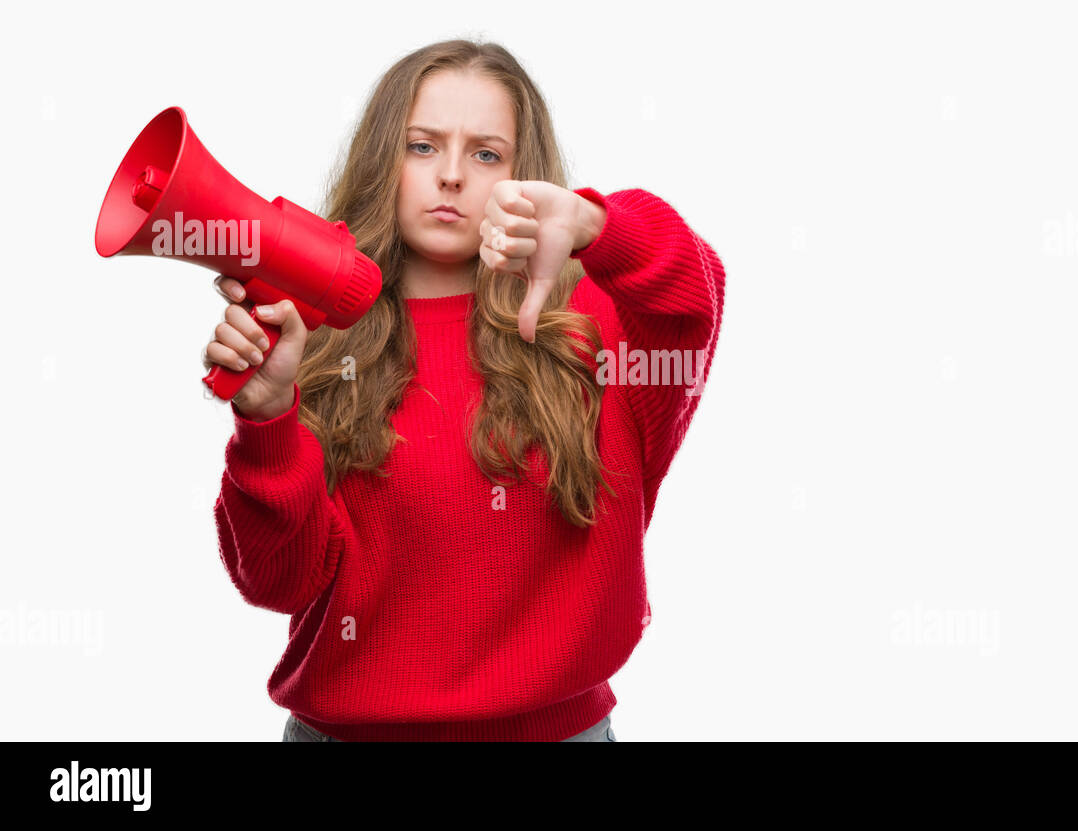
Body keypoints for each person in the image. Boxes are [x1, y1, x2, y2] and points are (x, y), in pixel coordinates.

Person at [205, 39, 725, 741]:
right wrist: (265, 419)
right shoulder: (315, 337)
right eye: (422, 147)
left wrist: (596, 225)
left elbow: (697, 290)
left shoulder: (597, 332)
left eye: (486, 154)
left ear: (526, 176)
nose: (451, 176)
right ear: (383, 157)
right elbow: (275, 581)